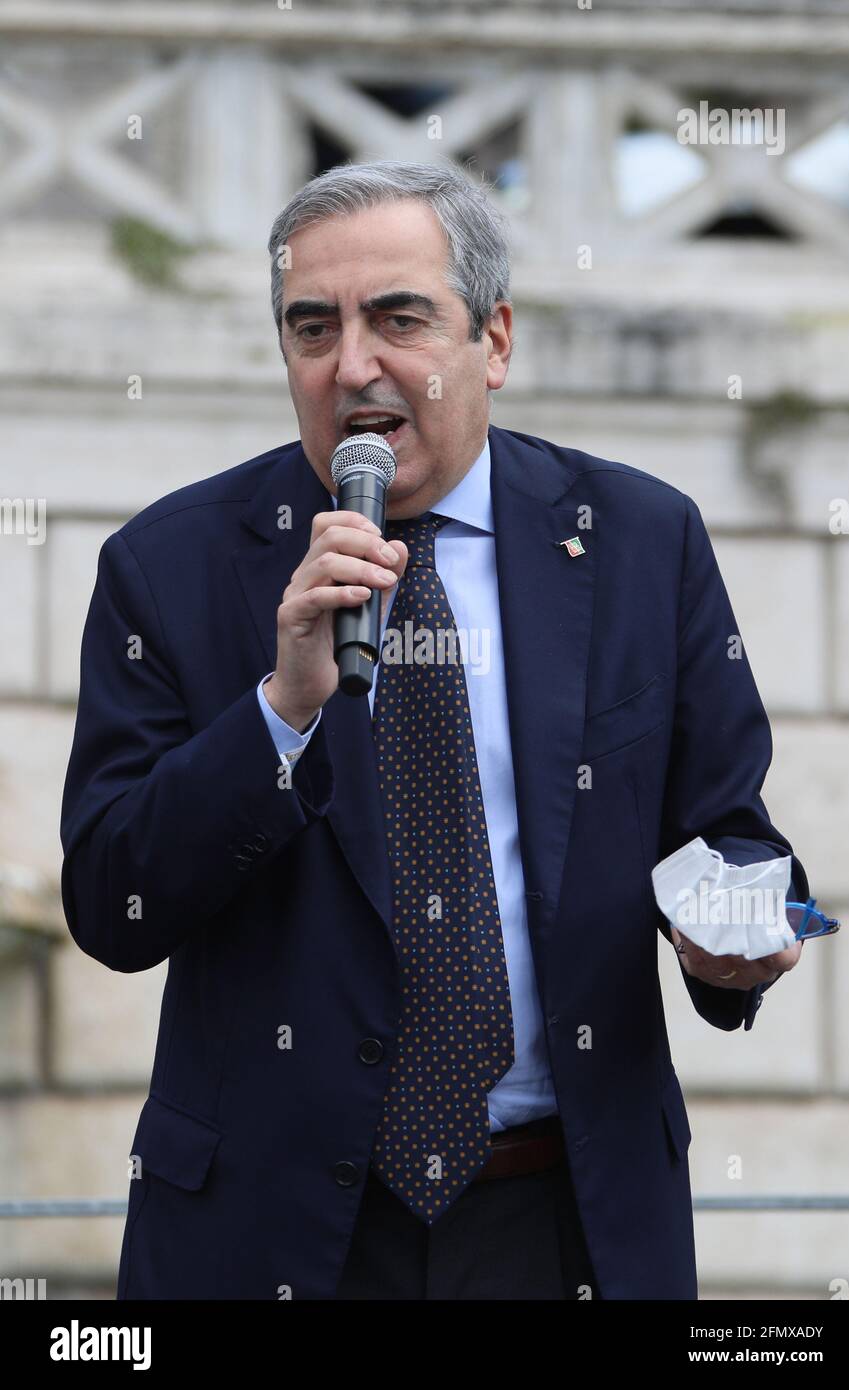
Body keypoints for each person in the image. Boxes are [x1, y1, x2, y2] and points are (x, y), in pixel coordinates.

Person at [60, 159, 806, 1301]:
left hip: (565, 1219)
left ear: (493, 342)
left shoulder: (642, 542)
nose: (354, 365)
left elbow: (731, 831)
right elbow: (113, 903)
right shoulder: (168, 568)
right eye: (313, 327)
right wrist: (281, 709)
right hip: (271, 1230)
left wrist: (740, 932)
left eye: (398, 318)